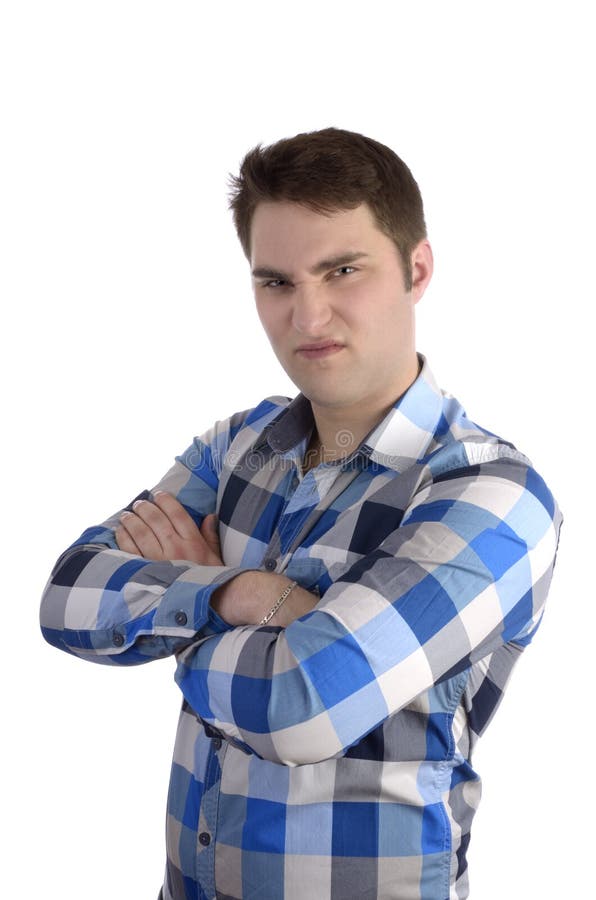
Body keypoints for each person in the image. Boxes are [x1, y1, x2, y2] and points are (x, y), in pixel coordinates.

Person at [40, 127, 562, 900]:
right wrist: (239, 595)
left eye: (342, 270)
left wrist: (172, 609)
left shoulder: (493, 497)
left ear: (417, 268)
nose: (308, 316)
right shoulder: (237, 447)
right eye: (276, 282)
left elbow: (300, 708)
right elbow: (67, 599)